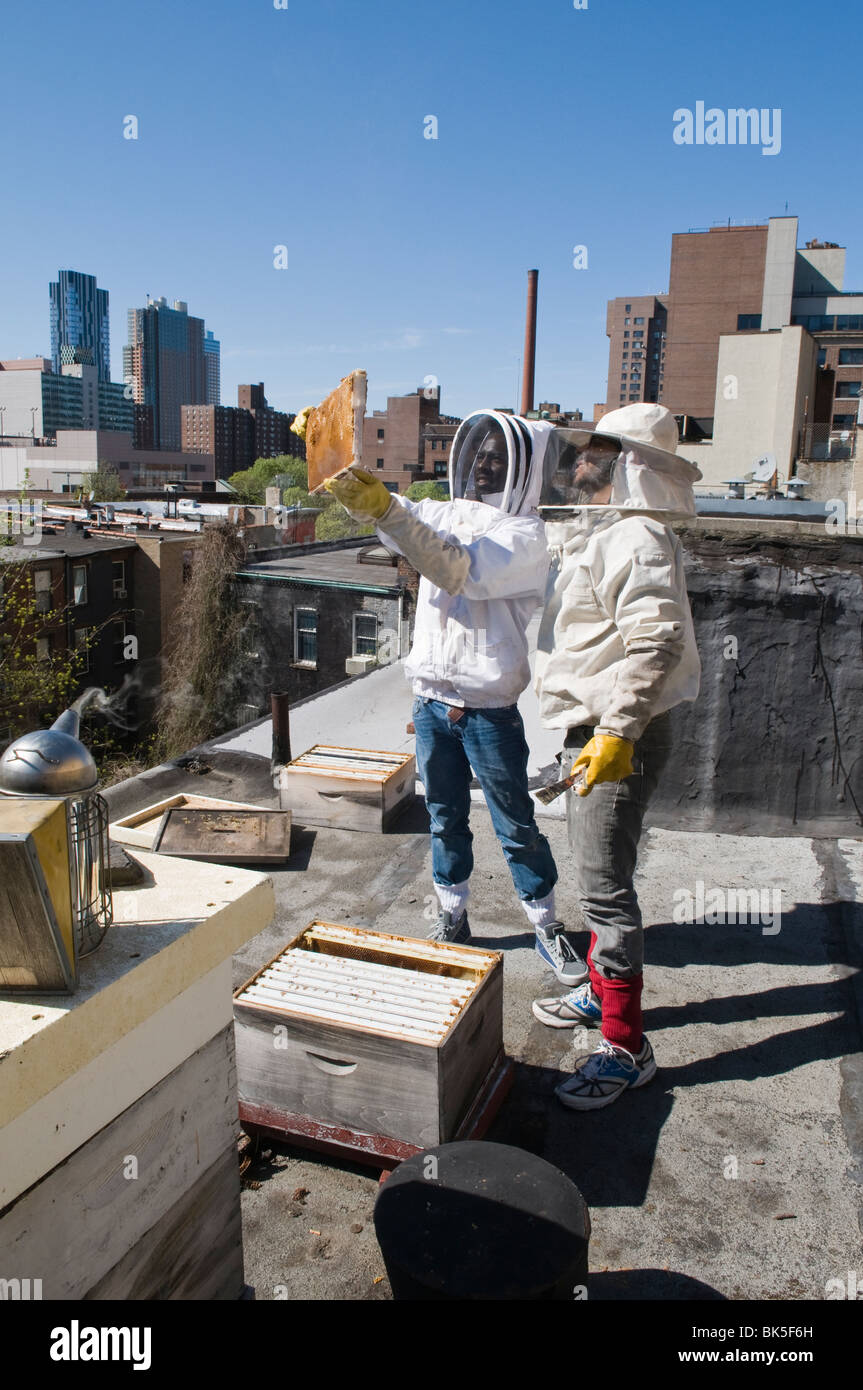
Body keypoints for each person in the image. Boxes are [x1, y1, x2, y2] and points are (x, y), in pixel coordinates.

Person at [323, 410, 586, 984]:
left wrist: (390, 512)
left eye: (499, 455)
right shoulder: (442, 512)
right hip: (431, 704)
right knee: (444, 817)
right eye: (481, 452)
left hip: (489, 712)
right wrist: (348, 484)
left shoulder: (526, 537)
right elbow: (397, 526)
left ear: (525, 467)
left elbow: (456, 569)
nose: (486, 463)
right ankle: (453, 917)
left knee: (515, 822)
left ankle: (546, 925)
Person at [532, 403, 701, 1109]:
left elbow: (654, 642)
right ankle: (601, 1001)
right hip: (598, 728)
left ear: (630, 463)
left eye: (595, 454)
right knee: (594, 872)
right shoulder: (601, 533)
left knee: (604, 887)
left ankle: (626, 1046)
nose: (578, 465)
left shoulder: (636, 536)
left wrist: (617, 733)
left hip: (617, 730)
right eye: (580, 452)